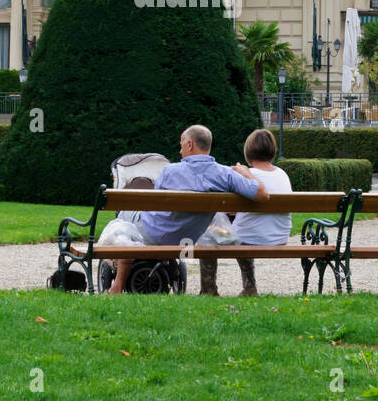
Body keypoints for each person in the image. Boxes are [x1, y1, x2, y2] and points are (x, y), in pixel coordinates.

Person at [106, 124, 268, 294]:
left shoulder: (170, 171)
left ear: (190, 144)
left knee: (122, 218)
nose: (180, 150)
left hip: (153, 234)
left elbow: (155, 205)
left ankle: (117, 285)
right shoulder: (225, 174)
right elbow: (263, 195)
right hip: (186, 240)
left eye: (182, 144)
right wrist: (246, 173)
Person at [200, 128, 292, 296]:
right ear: (272, 151)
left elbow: (229, 209)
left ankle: (208, 288)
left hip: (249, 239)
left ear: (248, 152)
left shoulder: (247, 175)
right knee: (246, 229)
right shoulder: (283, 174)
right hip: (279, 238)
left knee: (209, 230)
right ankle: (249, 287)